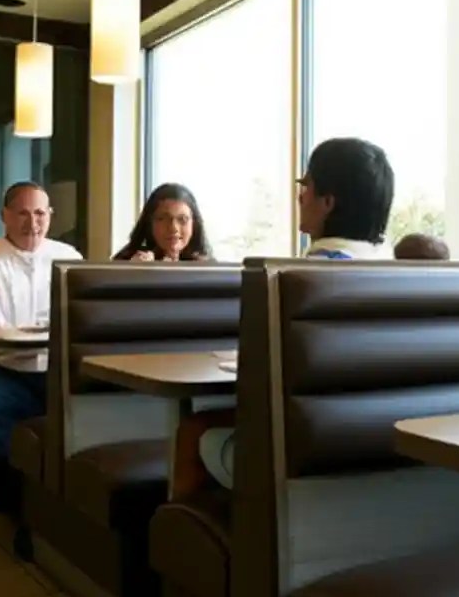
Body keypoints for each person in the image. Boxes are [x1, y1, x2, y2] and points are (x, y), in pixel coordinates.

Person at [184, 138, 396, 494]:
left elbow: (263, 370)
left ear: (327, 202)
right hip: (389, 450)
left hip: (310, 458)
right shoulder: (400, 275)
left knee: (194, 430)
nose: (300, 196)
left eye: (306, 185)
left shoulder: (298, 281)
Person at [0, 182, 82, 518]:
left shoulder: (69, 258)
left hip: (57, 368)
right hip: (1, 369)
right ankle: (18, 495)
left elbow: (83, 318)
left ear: (50, 215)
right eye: (22, 213)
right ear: (5, 216)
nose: (32, 223)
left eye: (39, 213)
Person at [113, 183, 212, 262]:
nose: (174, 228)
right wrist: (134, 274)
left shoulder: (207, 267)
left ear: (194, 224)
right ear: (149, 222)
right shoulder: (126, 263)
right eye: (163, 219)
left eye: (182, 219)